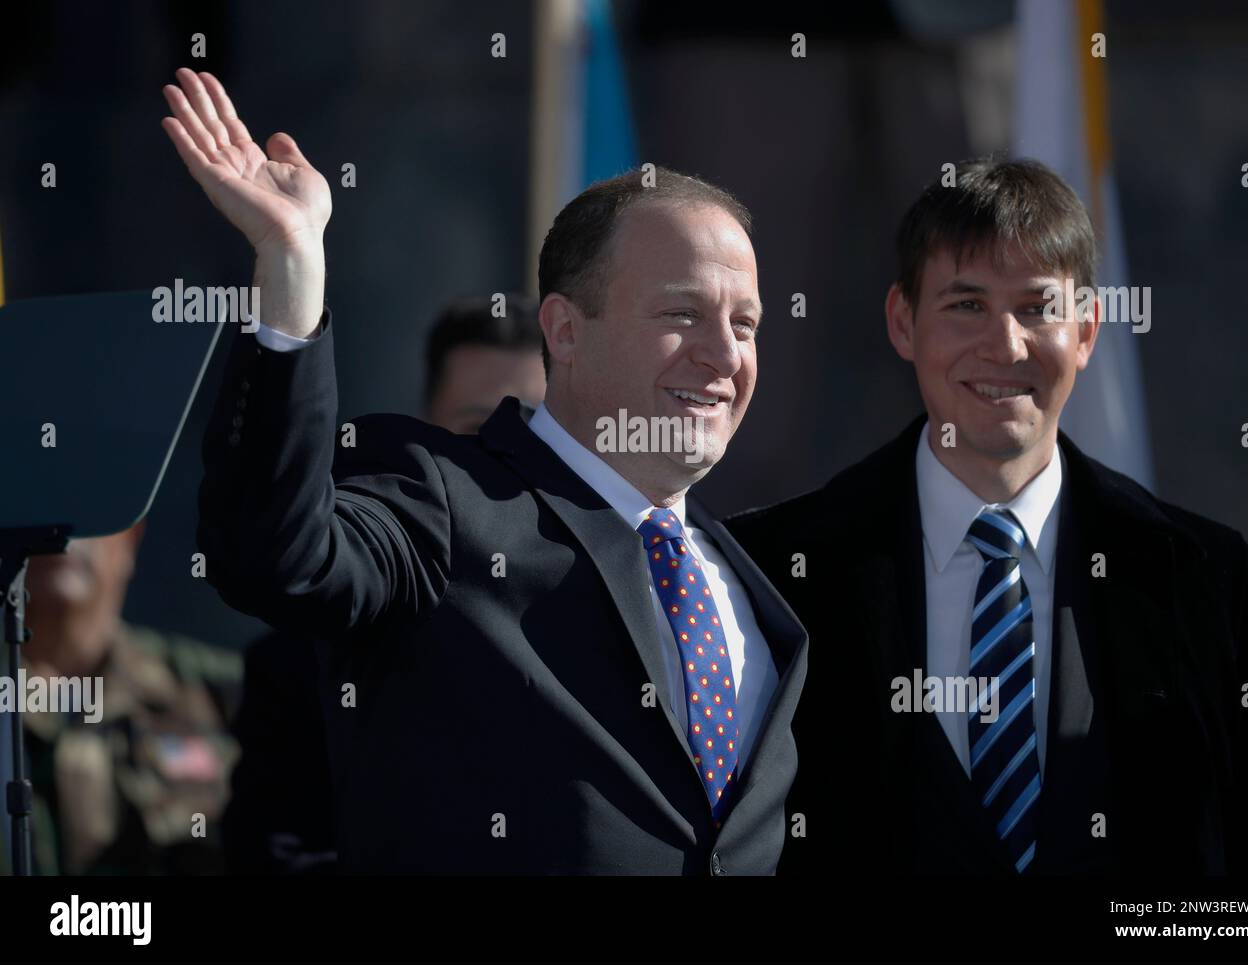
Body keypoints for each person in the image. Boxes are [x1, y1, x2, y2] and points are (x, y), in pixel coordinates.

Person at [162, 67, 806, 874]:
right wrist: (290, 266)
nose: (724, 355)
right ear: (565, 331)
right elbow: (273, 553)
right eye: (683, 313)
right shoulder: (444, 499)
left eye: (744, 323)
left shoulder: (753, 587)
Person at [727, 157, 1248, 876]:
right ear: (903, 322)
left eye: (1037, 307)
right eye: (967, 305)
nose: (1005, 344)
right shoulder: (773, 572)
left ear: (1087, 331)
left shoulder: (1202, 577)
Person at [225, 294, 544, 874]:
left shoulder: (623, 621)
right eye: (478, 430)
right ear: (426, 432)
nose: (510, 455)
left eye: (536, 430)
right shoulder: (308, 662)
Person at [0, 523, 241, 875]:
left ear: (130, 537)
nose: (61, 528)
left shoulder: (226, 695)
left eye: (91, 510)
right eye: (39, 507)